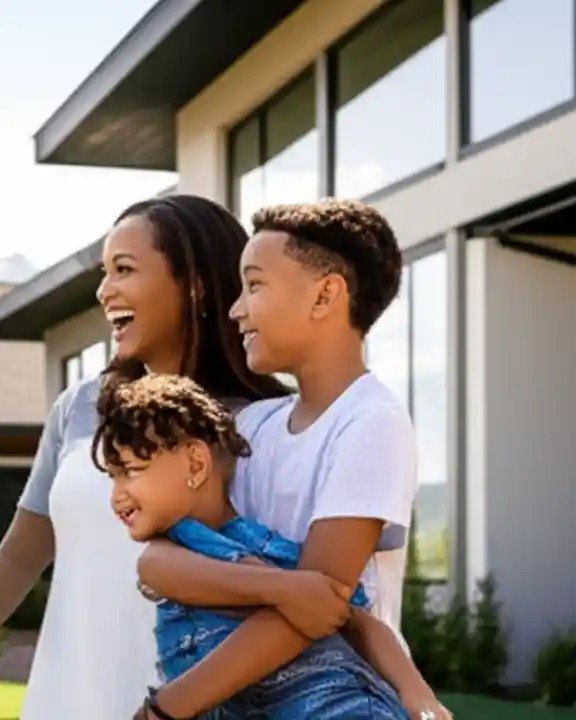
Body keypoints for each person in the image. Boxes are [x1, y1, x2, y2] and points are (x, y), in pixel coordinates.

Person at [0, 195, 291, 719]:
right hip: (67, 700)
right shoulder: (80, 408)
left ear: (192, 284)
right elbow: (18, 558)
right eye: (105, 272)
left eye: (124, 269)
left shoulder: (269, 424)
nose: (105, 291)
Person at [132, 198, 445, 719]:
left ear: (325, 295)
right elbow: (162, 559)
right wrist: (278, 585)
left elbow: (312, 614)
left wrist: (166, 710)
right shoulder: (250, 428)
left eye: (254, 286)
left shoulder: (371, 424)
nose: (236, 310)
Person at [97, 372, 436, 718]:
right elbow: (156, 567)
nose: (116, 495)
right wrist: (286, 589)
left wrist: (419, 697)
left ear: (196, 464)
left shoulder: (250, 547)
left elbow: (356, 619)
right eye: (112, 477)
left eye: (132, 471)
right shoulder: (170, 556)